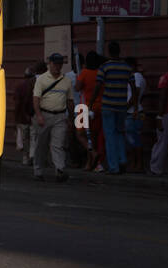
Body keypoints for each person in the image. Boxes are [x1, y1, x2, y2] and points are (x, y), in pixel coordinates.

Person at [92, 41, 135, 174]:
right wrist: (130, 103)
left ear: (109, 52)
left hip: (108, 106)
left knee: (109, 136)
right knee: (120, 134)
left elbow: (98, 86)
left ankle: (114, 166)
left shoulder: (105, 67)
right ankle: (122, 160)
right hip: (121, 106)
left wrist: (91, 102)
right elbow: (134, 89)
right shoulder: (127, 68)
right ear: (119, 51)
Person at [32, 52, 75, 182]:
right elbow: (36, 99)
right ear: (49, 64)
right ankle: (38, 170)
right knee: (41, 145)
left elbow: (69, 101)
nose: (57, 66)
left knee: (58, 144)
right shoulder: (41, 80)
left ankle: (59, 170)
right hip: (44, 115)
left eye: (59, 64)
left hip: (60, 116)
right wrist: (39, 115)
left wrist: (71, 118)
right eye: (55, 64)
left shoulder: (66, 81)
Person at [74, 51, 102, 170]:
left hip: (84, 107)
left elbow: (77, 88)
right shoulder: (100, 73)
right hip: (99, 107)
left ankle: (93, 153)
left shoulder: (84, 73)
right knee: (93, 136)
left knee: (80, 134)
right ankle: (89, 164)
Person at [12, 64, 39, 165]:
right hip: (34, 114)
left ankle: (25, 157)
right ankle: (32, 155)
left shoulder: (19, 86)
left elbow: (17, 103)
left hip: (22, 116)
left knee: (24, 138)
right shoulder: (36, 85)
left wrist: (16, 118)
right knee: (33, 136)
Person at [125, 57, 147, 172]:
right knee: (133, 140)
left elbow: (136, 94)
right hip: (134, 111)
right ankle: (135, 164)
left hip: (132, 113)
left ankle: (138, 164)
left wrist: (126, 108)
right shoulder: (138, 77)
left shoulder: (136, 77)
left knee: (134, 140)